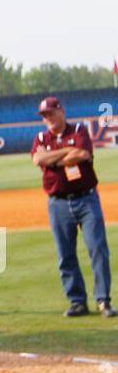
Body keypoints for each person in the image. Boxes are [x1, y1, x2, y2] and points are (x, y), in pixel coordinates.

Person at [30, 96, 115, 318]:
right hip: (57, 202)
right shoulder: (41, 137)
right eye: (44, 115)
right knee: (65, 255)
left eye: (50, 113)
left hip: (86, 199)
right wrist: (65, 154)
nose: (47, 118)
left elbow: (83, 153)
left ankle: (103, 300)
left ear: (61, 111)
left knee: (97, 249)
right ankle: (77, 301)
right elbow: (38, 159)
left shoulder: (78, 130)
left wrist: (53, 159)